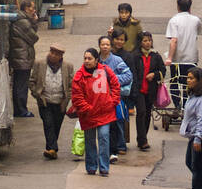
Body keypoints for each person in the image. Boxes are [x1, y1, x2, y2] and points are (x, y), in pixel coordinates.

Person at [69, 48, 120, 177]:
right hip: (88, 115)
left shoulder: (105, 71)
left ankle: (104, 168)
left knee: (104, 138)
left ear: (96, 59)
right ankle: (91, 167)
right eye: (85, 58)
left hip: (105, 112)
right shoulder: (79, 75)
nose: (87, 61)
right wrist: (87, 109)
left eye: (89, 58)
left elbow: (115, 85)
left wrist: (113, 101)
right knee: (90, 141)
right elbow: (77, 96)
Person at [28, 44, 74, 159]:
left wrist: (68, 97)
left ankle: (51, 149)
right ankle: (52, 148)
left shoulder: (68, 66)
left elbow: (71, 84)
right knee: (48, 123)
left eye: (57, 54)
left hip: (60, 101)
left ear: (61, 56)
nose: (53, 56)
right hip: (45, 101)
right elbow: (32, 80)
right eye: (52, 52)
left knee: (56, 125)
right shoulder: (40, 64)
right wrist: (36, 93)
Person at [97, 34, 132, 159]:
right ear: (99, 46)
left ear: (111, 46)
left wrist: (111, 79)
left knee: (118, 121)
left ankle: (121, 145)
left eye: (107, 44)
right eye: (103, 44)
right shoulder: (96, 61)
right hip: (100, 99)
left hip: (115, 97)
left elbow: (128, 76)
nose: (105, 47)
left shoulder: (117, 61)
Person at [165, 0, 201, 111]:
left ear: (178, 7)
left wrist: (169, 57)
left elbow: (173, 40)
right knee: (189, 83)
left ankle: (177, 105)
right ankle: (187, 105)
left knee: (175, 82)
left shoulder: (174, 21)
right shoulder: (196, 20)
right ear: (190, 7)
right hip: (192, 59)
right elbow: (197, 32)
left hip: (177, 59)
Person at [132, 31, 166, 151]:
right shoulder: (135, 56)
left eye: (149, 40)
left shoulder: (155, 56)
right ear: (140, 42)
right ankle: (143, 140)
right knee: (141, 112)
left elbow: (163, 70)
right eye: (145, 40)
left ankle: (142, 138)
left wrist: (154, 74)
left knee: (146, 114)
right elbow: (133, 73)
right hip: (139, 90)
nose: (147, 43)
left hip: (151, 90)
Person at [8, 0, 39, 117]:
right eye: (32, 7)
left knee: (20, 84)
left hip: (21, 57)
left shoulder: (21, 19)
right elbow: (33, 37)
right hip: (22, 58)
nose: (34, 10)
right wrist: (34, 21)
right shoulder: (23, 22)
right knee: (21, 85)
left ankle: (20, 108)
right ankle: (21, 110)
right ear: (26, 8)